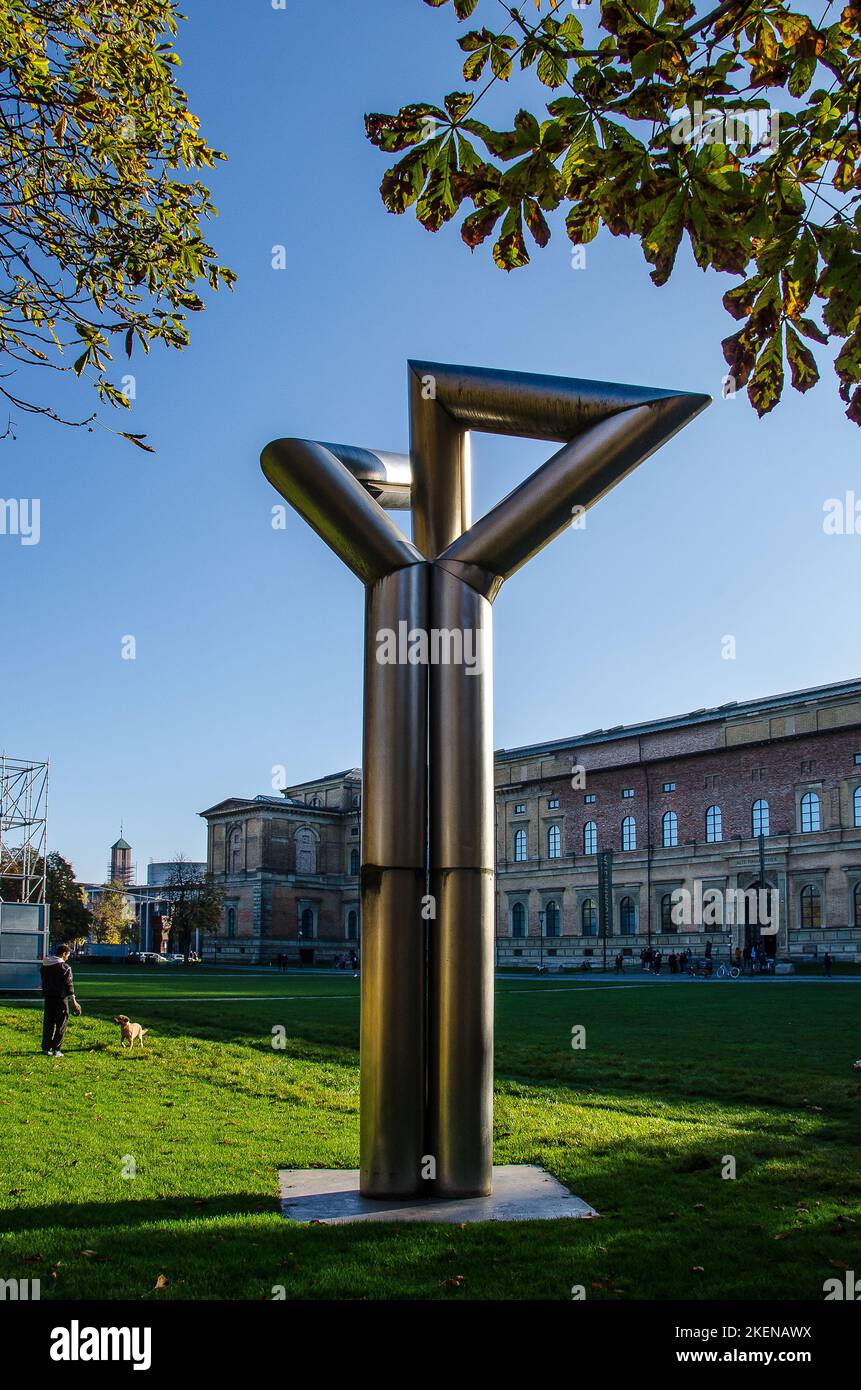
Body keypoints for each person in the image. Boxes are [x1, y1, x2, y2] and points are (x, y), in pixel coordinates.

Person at [39, 943, 81, 1057]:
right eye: (68, 955)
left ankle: (46, 1048)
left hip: (48, 997)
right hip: (60, 998)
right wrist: (74, 1002)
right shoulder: (65, 967)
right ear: (63, 954)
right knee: (61, 1023)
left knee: (48, 1023)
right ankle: (56, 1049)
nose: (68, 957)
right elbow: (69, 985)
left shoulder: (45, 965)